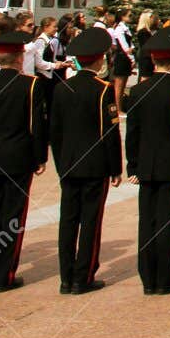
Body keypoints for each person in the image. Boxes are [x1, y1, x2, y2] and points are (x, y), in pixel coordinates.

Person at [0, 30, 51, 292]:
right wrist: (40, 157)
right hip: (18, 157)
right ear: (17, 58)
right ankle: (4, 275)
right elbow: (36, 125)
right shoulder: (30, 85)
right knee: (12, 218)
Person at [49, 28, 122, 294]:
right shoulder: (102, 90)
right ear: (99, 60)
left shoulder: (61, 89)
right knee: (90, 220)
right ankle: (84, 276)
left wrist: (60, 163)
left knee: (67, 220)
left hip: (68, 162)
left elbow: (54, 132)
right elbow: (110, 132)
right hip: (95, 164)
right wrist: (115, 167)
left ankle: (66, 276)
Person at [124, 29, 170, 295]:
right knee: (167, 222)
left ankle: (148, 276)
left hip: (145, 163)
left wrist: (132, 165)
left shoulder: (138, 91)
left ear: (154, 60)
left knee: (147, 221)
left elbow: (132, 133)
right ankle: (164, 277)